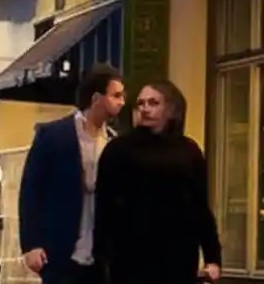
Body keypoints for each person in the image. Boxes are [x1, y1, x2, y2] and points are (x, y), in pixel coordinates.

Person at [95, 80, 222, 284]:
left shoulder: (188, 151)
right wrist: (100, 259)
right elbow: (103, 207)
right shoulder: (118, 150)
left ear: (171, 108)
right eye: (141, 103)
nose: (145, 109)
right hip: (129, 255)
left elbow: (200, 207)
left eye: (153, 103)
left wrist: (212, 257)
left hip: (177, 255)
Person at [19, 64, 126, 284]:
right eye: (116, 95)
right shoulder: (53, 135)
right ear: (97, 98)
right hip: (59, 250)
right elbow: (31, 191)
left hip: (99, 255)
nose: (122, 102)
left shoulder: (114, 142)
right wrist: (31, 244)